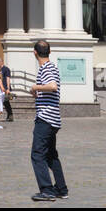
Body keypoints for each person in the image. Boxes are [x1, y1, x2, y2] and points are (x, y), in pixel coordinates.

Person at [29, 39, 68, 201]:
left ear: (35, 53)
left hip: (45, 118)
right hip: (53, 118)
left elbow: (52, 86)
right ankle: (61, 189)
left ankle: (47, 190)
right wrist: (38, 93)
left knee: (37, 154)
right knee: (51, 155)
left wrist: (35, 87)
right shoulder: (51, 67)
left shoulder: (47, 68)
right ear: (49, 51)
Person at [0, 56, 13, 122]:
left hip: (5, 87)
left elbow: (8, 78)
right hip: (0, 87)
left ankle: (10, 115)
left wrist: (8, 88)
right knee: (3, 102)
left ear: (1, 62)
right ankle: (9, 115)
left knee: (6, 102)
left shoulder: (6, 69)